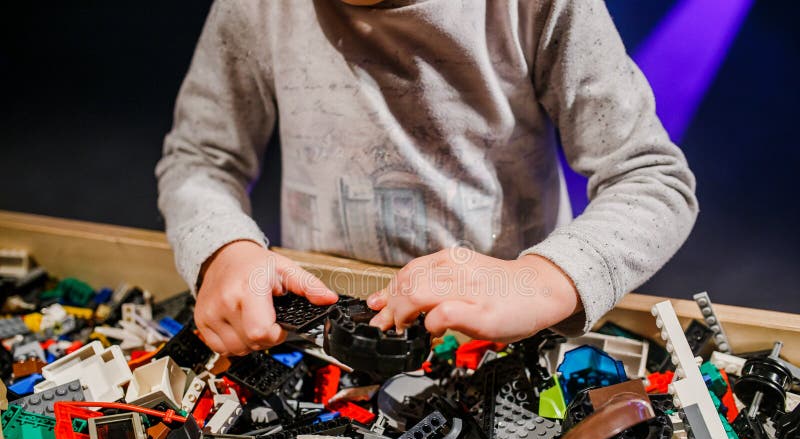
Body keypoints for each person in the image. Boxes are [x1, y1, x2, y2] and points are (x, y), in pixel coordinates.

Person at [156, 0, 698, 357]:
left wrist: (541, 280)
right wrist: (223, 250)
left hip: (502, 347)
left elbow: (652, 178)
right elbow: (200, 157)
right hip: (326, 339)